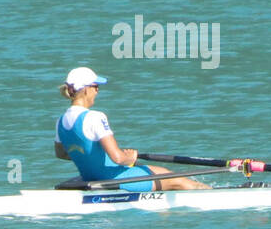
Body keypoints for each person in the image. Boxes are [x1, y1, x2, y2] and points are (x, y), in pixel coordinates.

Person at [54, 67, 208, 191]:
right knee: (177, 180)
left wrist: (89, 155)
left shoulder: (60, 121)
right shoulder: (95, 117)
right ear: (86, 89)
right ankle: (214, 193)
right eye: (96, 86)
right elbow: (119, 159)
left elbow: (62, 154)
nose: (98, 91)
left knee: (160, 172)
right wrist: (131, 157)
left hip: (88, 176)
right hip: (113, 178)